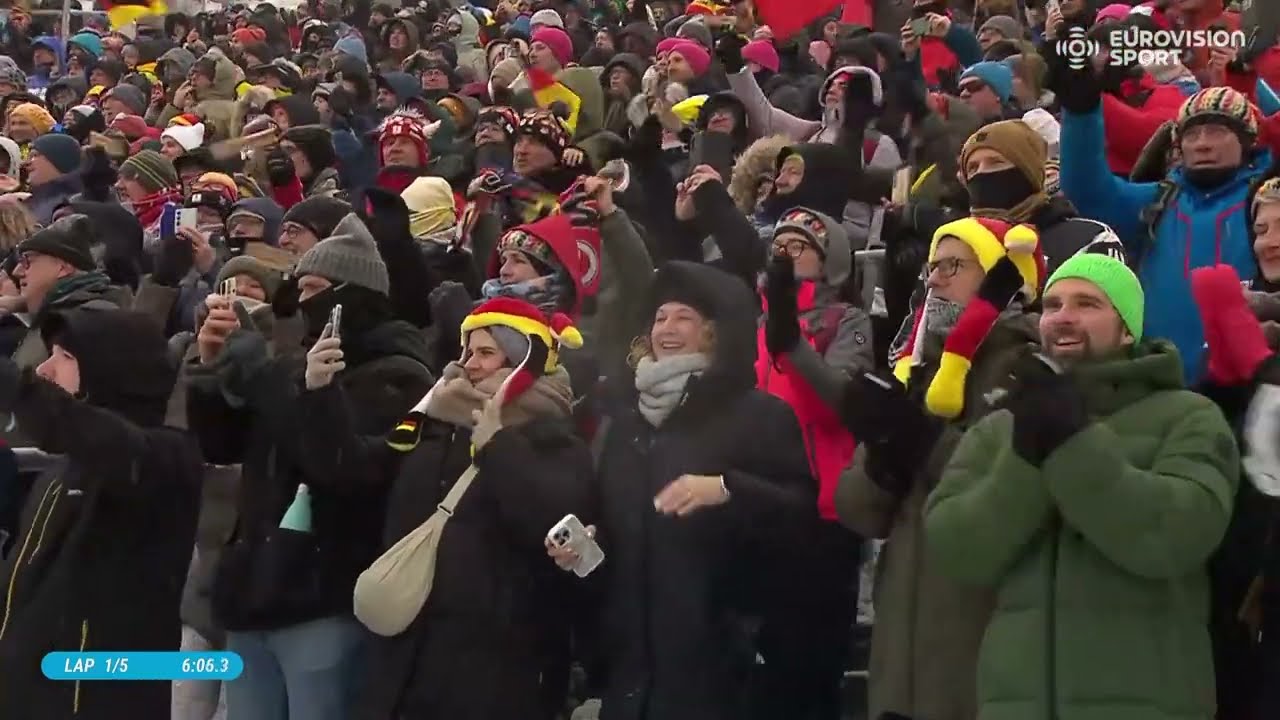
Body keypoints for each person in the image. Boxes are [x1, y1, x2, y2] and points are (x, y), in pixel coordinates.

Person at [926, 252, 1237, 719]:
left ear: (1128, 329)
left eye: (1088, 304)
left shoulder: (1189, 416)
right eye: (1052, 305)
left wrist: (1071, 443)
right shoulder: (1000, 427)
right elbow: (955, 548)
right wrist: (1028, 457)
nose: (1063, 318)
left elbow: (1176, 533)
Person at [186, 214, 433, 720]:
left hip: (323, 596)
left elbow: (338, 465)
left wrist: (257, 367)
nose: (302, 303)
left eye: (317, 289)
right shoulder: (295, 363)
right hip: (257, 588)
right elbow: (223, 445)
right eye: (298, 288)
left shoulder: (399, 375)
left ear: (356, 295)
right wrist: (213, 371)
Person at [303, 297, 592, 719]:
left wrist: (496, 445)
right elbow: (356, 469)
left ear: (523, 359)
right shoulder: (434, 421)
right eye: (468, 352)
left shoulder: (554, 438)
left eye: (486, 353)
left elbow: (551, 519)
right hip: (406, 654)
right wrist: (320, 395)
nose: (470, 364)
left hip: (494, 668)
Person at [573, 261, 816, 720]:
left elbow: (803, 520)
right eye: (660, 317)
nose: (667, 328)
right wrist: (587, 547)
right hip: (630, 671)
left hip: (720, 668)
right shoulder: (623, 421)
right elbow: (611, 522)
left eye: (684, 317)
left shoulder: (758, 415)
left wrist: (727, 489)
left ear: (714, 332)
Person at [835, 217, 1045, 720]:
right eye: (932, 267)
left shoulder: (1029, 370)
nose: (934, 279)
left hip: (977, 657)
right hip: (900, 660)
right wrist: (884, 455)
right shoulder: (915, 370)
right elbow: (857, 512)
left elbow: (1007, 495)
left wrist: (926, 443)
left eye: (954, 265)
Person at [0, 308, 201, 719]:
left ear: (110, 372)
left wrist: (16, 386)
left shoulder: (165, 457)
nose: (44, 369)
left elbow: (100, 438)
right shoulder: (65, 468)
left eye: (65, 358)